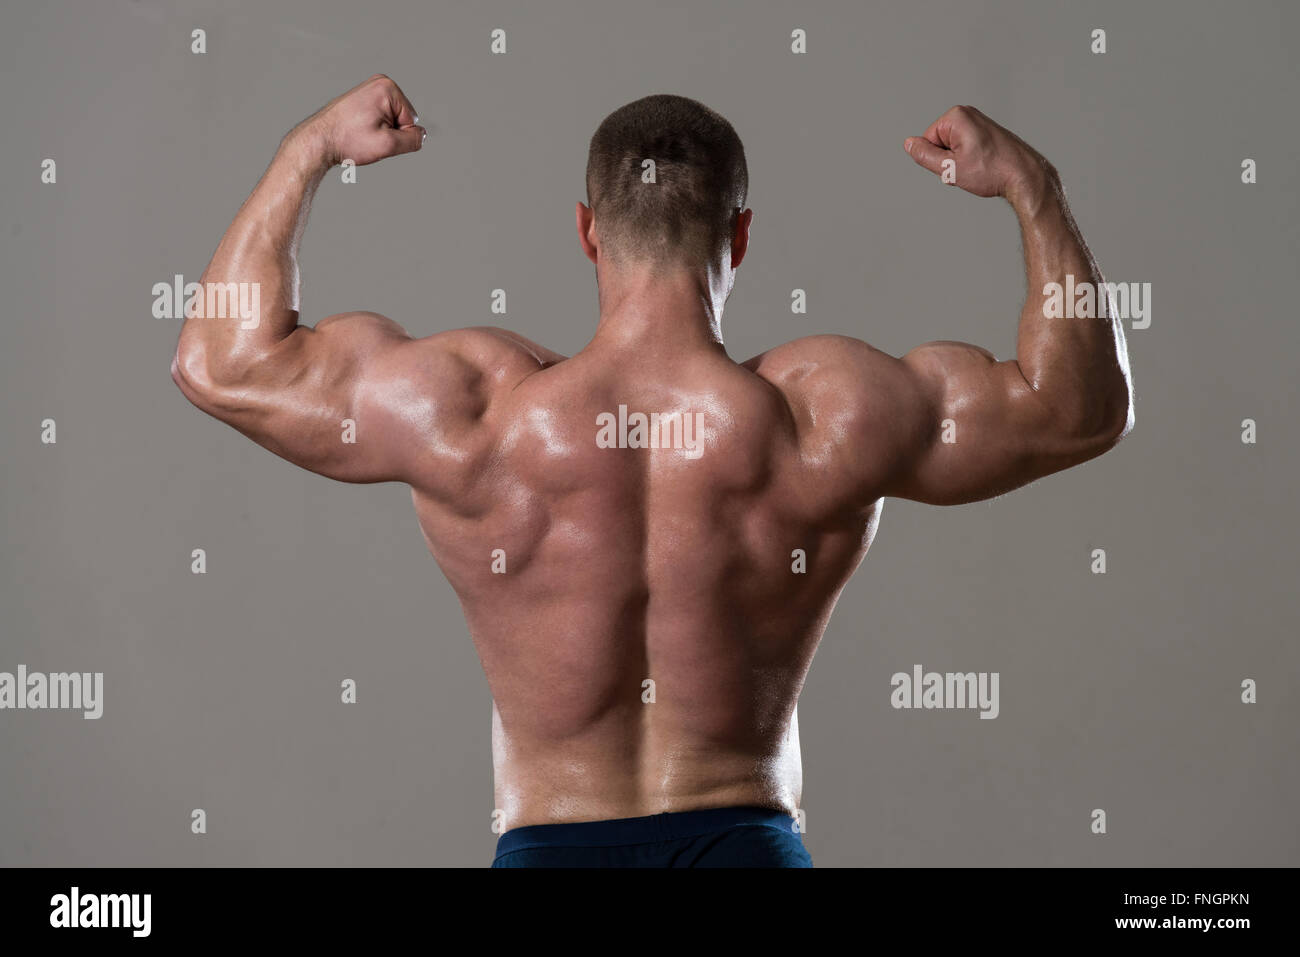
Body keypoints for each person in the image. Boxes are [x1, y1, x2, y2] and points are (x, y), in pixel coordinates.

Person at [171, 75, 1134, 867]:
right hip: (746, 842)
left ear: (589, 231)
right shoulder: (824, 414)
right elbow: (1079, 410)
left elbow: (219, 362)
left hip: (551, 848)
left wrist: (313, 148)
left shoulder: (477, 413)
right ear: (741, 235)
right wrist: (1032, 186)